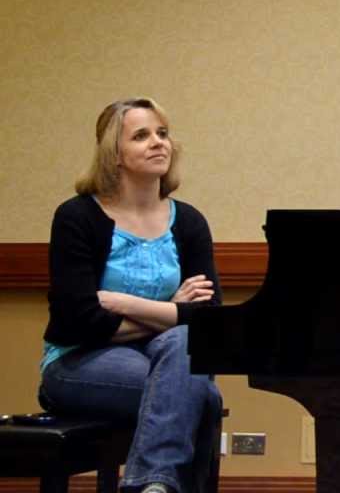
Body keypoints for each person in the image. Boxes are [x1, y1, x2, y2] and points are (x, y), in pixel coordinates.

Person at [39, 97, 224, 493]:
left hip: (165, 355)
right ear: (114, 154)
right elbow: (76, 321)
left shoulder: (189, 221)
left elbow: (210, 322)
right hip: (78, 362)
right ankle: (152, 485)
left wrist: (123, 303)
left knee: (187, 344)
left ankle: (149, 486)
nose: (159, 143)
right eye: (141, 136)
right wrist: (173, 310)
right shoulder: (77, 217)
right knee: (199, 392)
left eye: (162, 133)